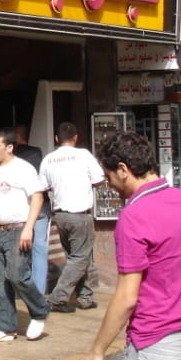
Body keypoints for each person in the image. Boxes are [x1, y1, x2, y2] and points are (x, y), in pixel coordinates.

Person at [82, 131, 181, 360]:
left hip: (153, 346)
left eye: (109, 176)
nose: (109, 184)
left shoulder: (133, 216)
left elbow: (127, 297)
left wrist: (97, 351)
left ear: (124, 170)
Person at [0, 127, 49, 343]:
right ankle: (5, 327)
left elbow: (38, 198)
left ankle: (40, 310)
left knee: (16, 275)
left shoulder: (23, 169)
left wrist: (28, 228)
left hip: (17, 229)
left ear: (10, 147)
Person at [38, 122, 105, 312]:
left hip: (60, 216)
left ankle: (85, 296)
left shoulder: (49, 159)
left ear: (56, 139)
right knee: (80, 258)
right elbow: (99, 180)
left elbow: (42, 186)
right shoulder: (83, 155)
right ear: (76, 137)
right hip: (80, 215)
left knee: (76, 258)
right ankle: (58, 297)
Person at [14, 124, 49, 295]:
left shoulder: (12, 155)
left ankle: (21, 289)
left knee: (18, 247)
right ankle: (39, 294)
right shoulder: (38, 152)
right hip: (42, 206)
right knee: (40, 249)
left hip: (23, 207)